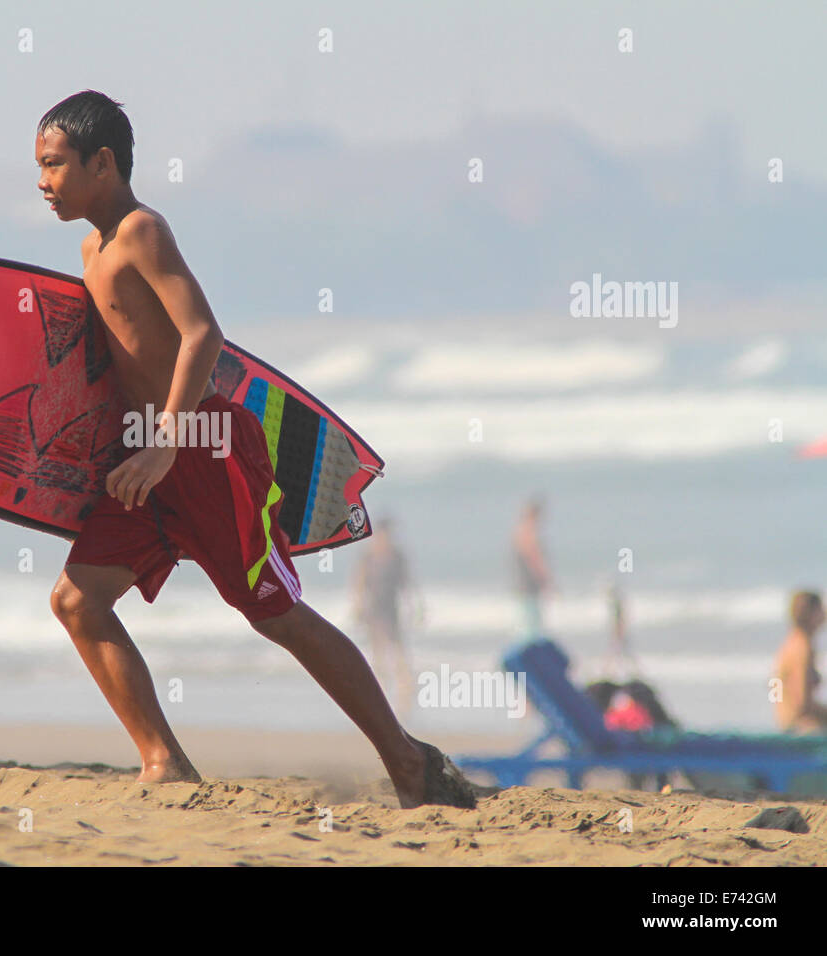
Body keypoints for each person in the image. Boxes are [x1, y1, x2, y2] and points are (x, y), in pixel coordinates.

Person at [37, 91, 473, 808]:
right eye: (41, 168)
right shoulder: (91, 249)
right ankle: (163, 762)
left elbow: (202, 334)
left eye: (55, 165)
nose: (44, 182)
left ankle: (408, 760)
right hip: (144, 462)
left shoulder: (143, 230)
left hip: (200, 452)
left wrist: (168, 446)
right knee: (77, 602)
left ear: (103, 163)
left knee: (276, 615)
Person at [351, 516, 420, 709]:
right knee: (377, 649)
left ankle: (405, 685)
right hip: (373, 607)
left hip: (391, 606)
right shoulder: (368, 555)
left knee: (398, 647)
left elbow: (407, 582)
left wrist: (415, 605)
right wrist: (357, 605)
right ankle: (380, 686)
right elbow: (359, 580)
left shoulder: (396, 555)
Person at [773, 590, 827, 734]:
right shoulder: (803, 646)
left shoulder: (791, 642)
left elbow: (774, 687)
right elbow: (802, 703)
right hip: (800, 727)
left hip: (786, 721)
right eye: (821, 608)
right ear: (810, 613)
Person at [511, 495, 551, 635]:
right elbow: (534, 559)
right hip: (529, 587)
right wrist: (546, 580)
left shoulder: (519, 531)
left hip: (522, 586)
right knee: (531, 628)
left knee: (526, 625)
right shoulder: (528, 533)